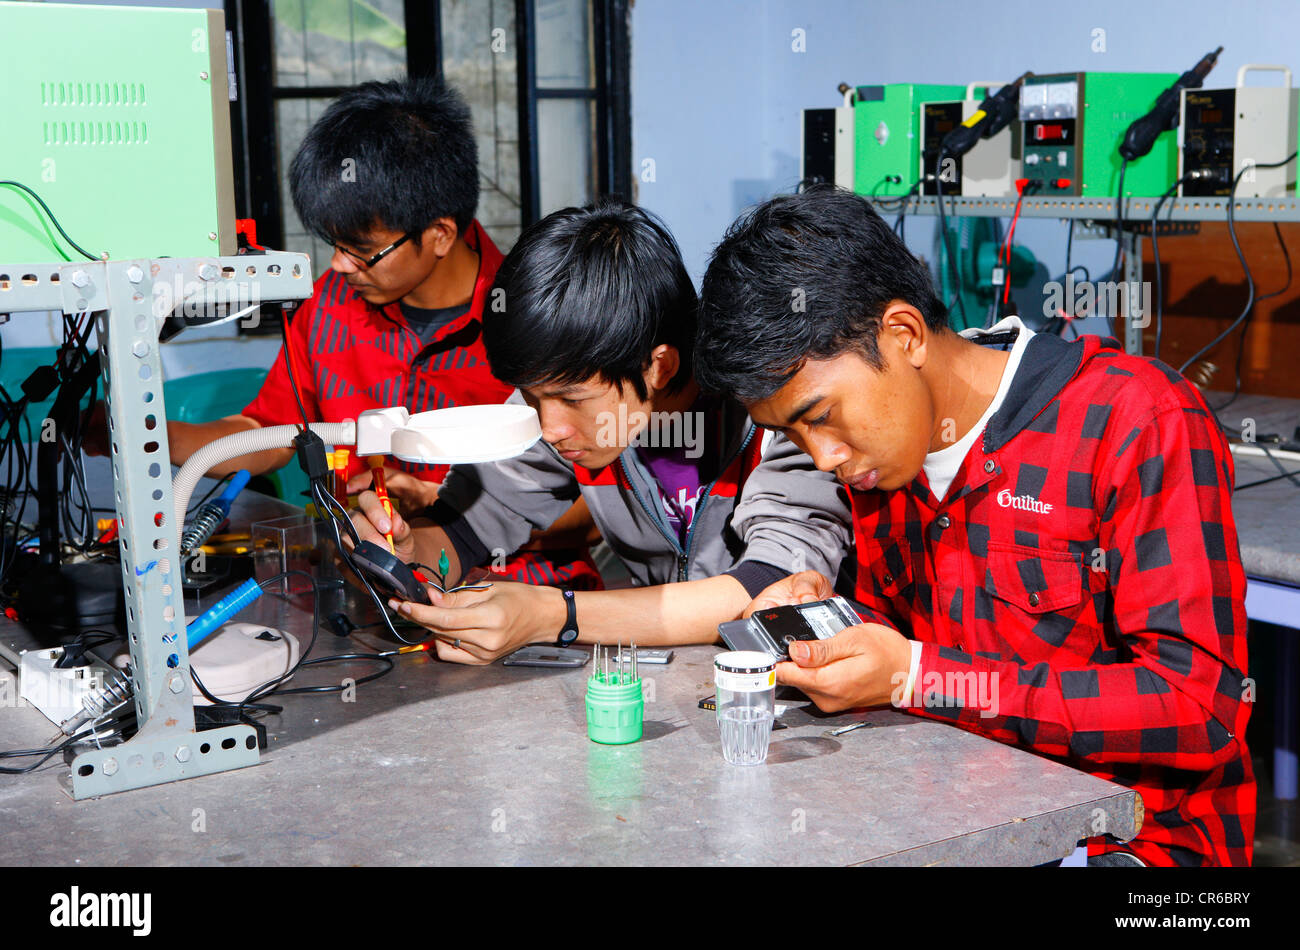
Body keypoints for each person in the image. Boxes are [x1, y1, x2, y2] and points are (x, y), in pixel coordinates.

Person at [692, 185, 1253, 867]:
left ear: (903, 335)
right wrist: (836, 620)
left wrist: (918, 677)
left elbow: (1200, 708)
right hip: (967, 820)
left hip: (1132, 845)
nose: (824, 458)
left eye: (820, 416)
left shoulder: (1139, 421)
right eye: (791, 434)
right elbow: (922, 638)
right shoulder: (889, 459)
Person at [88, 77, 598, 588]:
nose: (338, 263)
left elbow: (601, 514)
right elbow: (270, 435)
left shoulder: (541, 320)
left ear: (439, 235)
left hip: (523, 595)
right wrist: (151, 436)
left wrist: (456, 514)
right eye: (333, 242)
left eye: (359, 247)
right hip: (366, 593)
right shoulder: (330, 302)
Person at [347, 198, 853, 664]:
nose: (548, 427)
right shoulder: (567, 396)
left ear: (658, 366)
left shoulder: (772, 407)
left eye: (571, 399)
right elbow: (466, 532)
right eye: (530, 396)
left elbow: (768, 587)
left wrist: (556, 615)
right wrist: (412, 553)